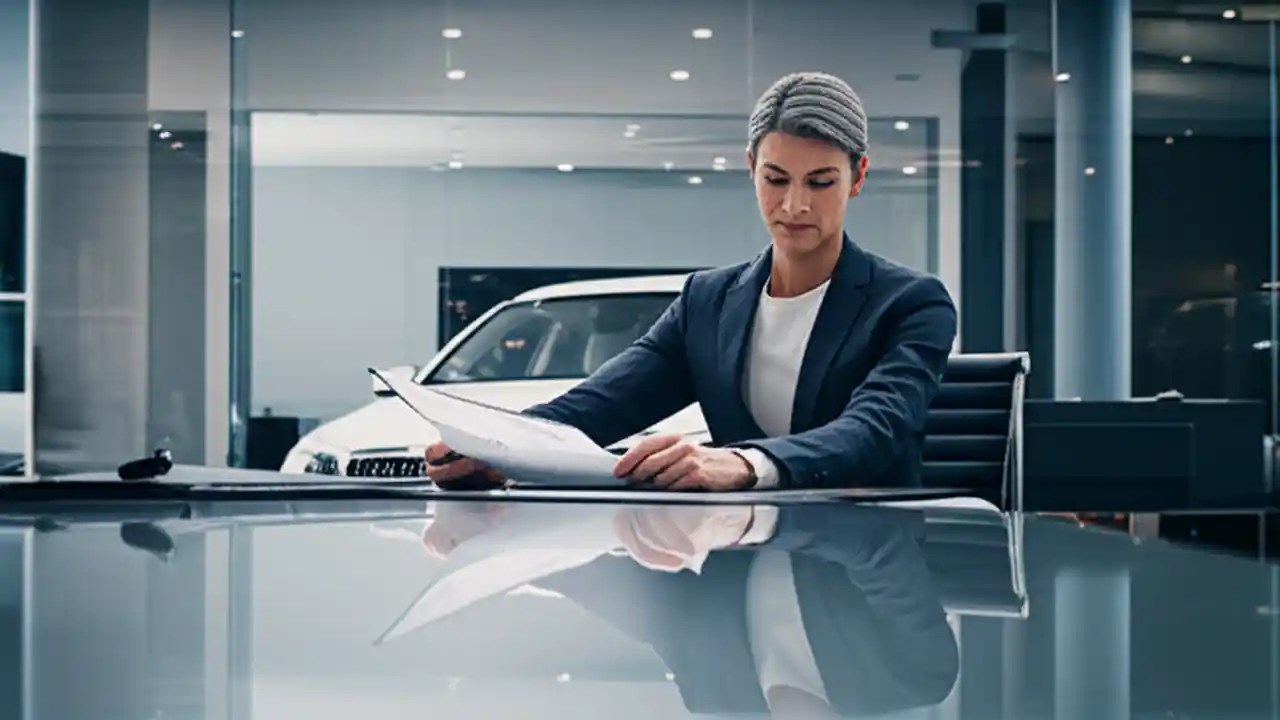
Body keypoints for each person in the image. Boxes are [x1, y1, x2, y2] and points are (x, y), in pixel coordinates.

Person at [427, 71, 957, 491]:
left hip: (864, 566)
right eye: (775, 179)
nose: (794, 205)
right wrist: (498, 448)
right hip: (739, 563)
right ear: (751, 168)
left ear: (857, 177)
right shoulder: (708, 301)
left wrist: (745, 464)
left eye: (820, 182)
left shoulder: (911, 304)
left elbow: (875, 429)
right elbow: (602, 403)